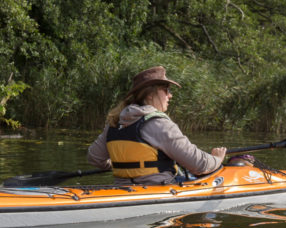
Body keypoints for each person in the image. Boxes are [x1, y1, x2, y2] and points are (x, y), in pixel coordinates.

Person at [88, 66, 227, 185]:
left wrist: (120, 165)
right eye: (166, 90)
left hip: (121, 190)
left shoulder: (115, 122)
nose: (170, 95)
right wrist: (216, 159)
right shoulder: (158, 123)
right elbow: (199, 165)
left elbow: (95, 158)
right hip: (159, 188)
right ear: (150, 94)